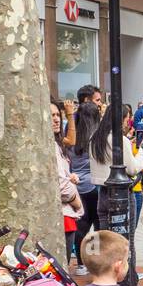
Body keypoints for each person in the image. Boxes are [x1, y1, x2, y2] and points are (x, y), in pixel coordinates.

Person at [68, 97, 100, 273]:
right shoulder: (96, 138)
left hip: (76, 186)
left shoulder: (72, 137)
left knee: (81, 226)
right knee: (97, 225)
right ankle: (94, 261)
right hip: (93, 186)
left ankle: (81, 263)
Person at [51, 100, 83, 262]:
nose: (56, 119)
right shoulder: (49, 146)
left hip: (65, 215)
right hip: (63, 214)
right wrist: (76, 200)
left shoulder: (56, 143)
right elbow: (61, 186)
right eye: (51, 116)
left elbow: (70, 141)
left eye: (57, 115)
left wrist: (69, 177)